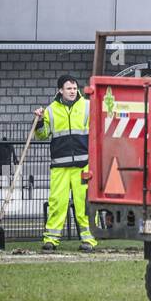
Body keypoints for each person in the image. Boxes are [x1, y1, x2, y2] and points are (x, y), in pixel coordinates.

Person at [33, 75, 97, 252]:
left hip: (83, 165)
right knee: (57, 203)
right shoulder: (51, 110)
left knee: (84, 204)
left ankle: (89, 240)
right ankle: (51, 240)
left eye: (74, 88)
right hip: (60, 167)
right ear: (60, 90)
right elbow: (42, 135)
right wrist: (39, 121)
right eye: (68, 88)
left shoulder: (87, 107)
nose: (72, 91)